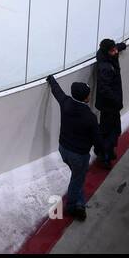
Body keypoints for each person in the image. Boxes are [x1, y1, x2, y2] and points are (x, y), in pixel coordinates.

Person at [46, 74, 107, 221]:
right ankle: (72, 206)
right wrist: (103, 152)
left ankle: (80, 203)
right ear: (86, 98)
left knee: (77, 176)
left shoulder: (66, 102)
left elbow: (57, 92)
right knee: (77, 180)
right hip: (79, 155)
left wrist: (51, 80)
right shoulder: (90, 117)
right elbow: (97, 139)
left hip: (63, 149)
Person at [94, 39, 125, 169]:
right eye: (113, 50)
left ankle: (106, 152)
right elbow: (104, 88)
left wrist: (121, 46)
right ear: (107, 52)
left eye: (115, 49)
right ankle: (104, 155)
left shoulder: (106, 56)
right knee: (112, 131)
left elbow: (113, 48)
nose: (116, 52)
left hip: (109, 105)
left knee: (110, 130)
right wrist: (116, 100)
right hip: (109, 106)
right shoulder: (106, 67)